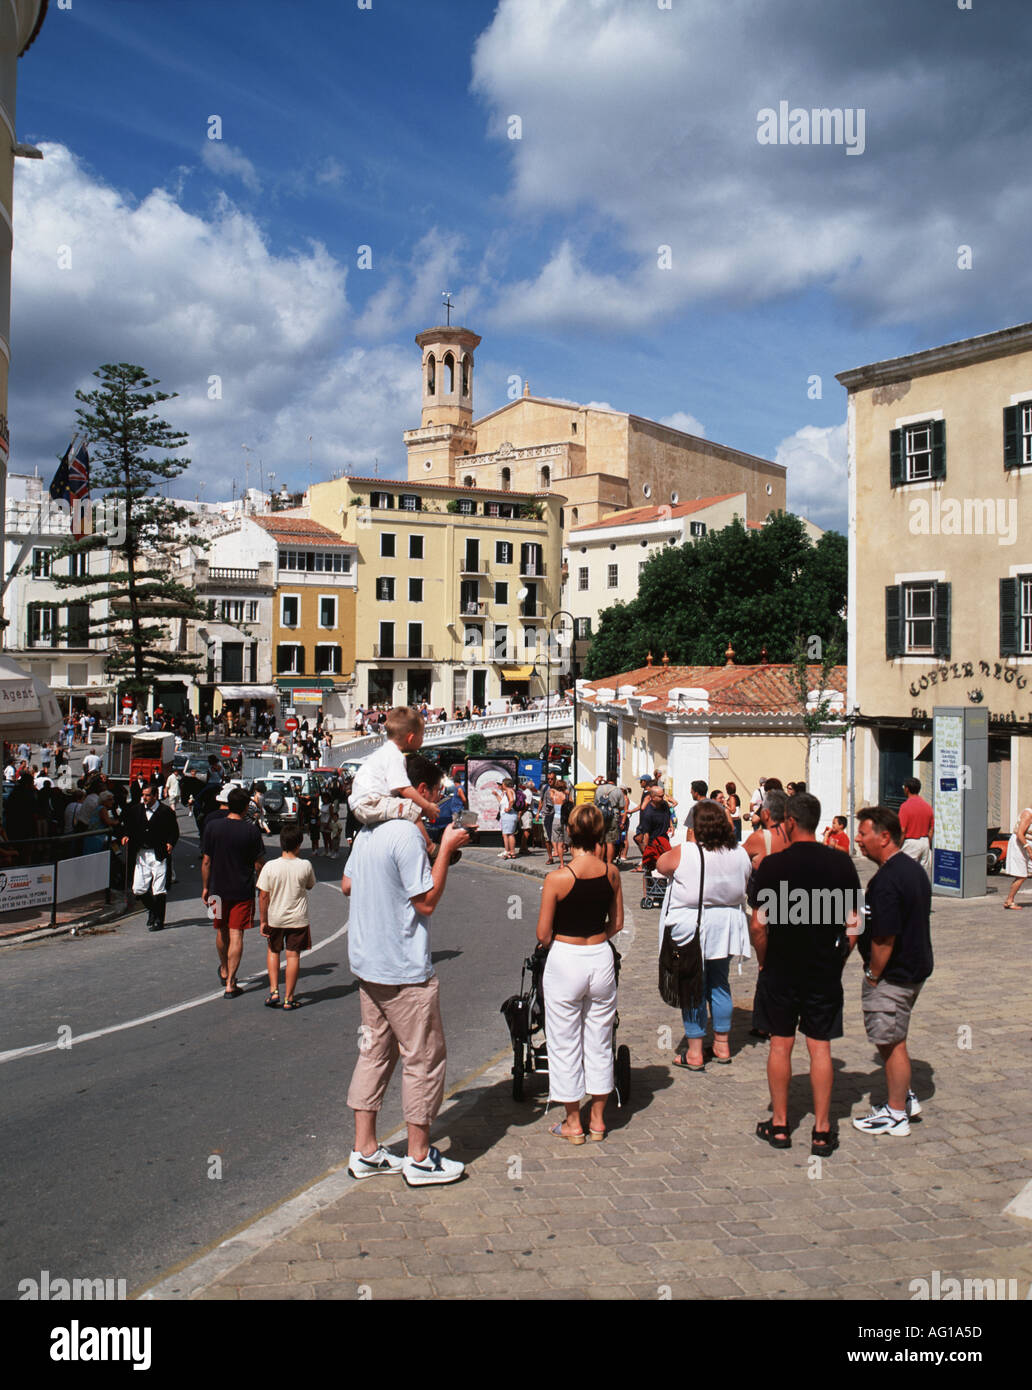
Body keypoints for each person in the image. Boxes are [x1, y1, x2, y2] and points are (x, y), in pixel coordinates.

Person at [341, 753, 470, 1185]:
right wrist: (447, 848)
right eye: (434, 793)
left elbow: (347, 885)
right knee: (424, 1059)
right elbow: (426, 901)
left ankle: (365, 1149)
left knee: (375, 1052)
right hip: (403, 967)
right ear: (422, 792)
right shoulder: (405, 837)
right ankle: (419, 1156)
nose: (435, 802)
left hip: (368, 963)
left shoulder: (367, 831)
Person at [748, 791, 862, 1157]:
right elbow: (854, 925)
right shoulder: (841, 864)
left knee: (781, 1043)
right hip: (822, 969)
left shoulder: (773, 867)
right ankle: (822, 1130)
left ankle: (780, 1124)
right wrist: (838, 961)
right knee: (820, 1047)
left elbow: (758, 926)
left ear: (790, 822)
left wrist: (764, 960)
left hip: (781, 966)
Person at [534, 803, 624, 1142]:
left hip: (566, 958)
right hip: (599, 956)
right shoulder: (611, 873)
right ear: (600, 835)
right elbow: (617, 923)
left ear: (569, 835)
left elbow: (543, 934)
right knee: (599, 1039)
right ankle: (598, 1118)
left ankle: (573, 1121)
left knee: (564, 1041)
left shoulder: (557, 878)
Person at [852, 805, 933, 1136]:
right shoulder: (910, 869)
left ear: (884, 836)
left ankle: (896, 1113)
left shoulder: (888, 879)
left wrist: (873, 974)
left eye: (863, 833)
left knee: (890, 1041)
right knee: (893, 1036)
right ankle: (904, 1096)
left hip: (894, 974)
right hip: (914, 967)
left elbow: (885, 937)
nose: (858, 840)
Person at [657, 801, 752, 1070]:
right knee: (719, 983)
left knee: (692, 985)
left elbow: (661, 865)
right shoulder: (739, 853)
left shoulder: (686, 852)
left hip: (694, 926)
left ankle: (695, 1052)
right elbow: (745, 881)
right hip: (727, 925)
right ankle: (722, 1044)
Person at [201, 787, 267, 998]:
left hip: (216, 889)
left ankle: (223, 968)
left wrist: (205, 887)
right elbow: (258, 864)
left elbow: (206, 861)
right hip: (241, 890)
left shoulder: (212, 827)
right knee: (236, 933)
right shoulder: (251, 831)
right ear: (247, 807)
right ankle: (231, 983)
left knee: (220, 930)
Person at [348, 706, 438, 844]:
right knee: (410, 807)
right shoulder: (395, 756)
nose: (423, 739)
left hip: (362, 803)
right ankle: (429, 846)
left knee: (401, 808)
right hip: (371, 803)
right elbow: (404, 788)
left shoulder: (385, 752)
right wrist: (427, 806)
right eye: (422, 735)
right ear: (411, 737)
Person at [257, 827, 316, 1009]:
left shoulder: (270, 866)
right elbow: (310, 885)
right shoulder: (305, 865)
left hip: (275, 918)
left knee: (273, 951)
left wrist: (263, 920)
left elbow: (263, 895)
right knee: (293, 956)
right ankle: (289, 998)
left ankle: (274, 991)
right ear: (299, 844)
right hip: (297, 919)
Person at [121, 783, 179, 931]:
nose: (144, 798)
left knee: (159, 889)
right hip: (142, 854)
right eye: (143, 795)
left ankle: (159, 920)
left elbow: (174, 831)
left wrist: (170, 843)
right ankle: (153, 910)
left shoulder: (165, 811)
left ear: (155, 796)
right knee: (138, 888)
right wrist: (126, 835)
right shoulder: (136, 810)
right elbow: (128, 826)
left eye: (147, 795)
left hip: (159, 854)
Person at [743, 788, 790, 870]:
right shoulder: (795, 834)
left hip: (769, 881)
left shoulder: (759, 838)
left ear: (766, 814)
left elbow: (737, 858)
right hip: (786, 881)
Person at [898, 778, 934, 876]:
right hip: (925, 842)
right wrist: (928, 844)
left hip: (911, 843)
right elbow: (931, 830)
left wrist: (898, 846)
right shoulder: (928, 806)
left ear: (907, 789)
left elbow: (903, 830)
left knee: (906, 874)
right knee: (923, 876)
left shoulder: (905, 807)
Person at [1002, 804, 1032, 909]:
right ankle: (1009, 901)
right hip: (1020, 845)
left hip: (1026, 844)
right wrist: (1029, 849)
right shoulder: (1028, 814)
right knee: (1021, 875)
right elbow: (1020, 833)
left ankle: (1009, 900)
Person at [593, 775, 627, 866]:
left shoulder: (599, 789)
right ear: (615, 781)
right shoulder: (618, 790)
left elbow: (595, 803)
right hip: (613, 816)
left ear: (607, 780)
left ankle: (599, 862)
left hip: (600, 816)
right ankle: (609, 864)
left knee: (600, 842)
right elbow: (622, 806)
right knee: (610, 842)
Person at [498, 778, 518, 859]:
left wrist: (508, 808)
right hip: (511, 815)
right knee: (510, 834)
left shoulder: (509, 790)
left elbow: (511, 800)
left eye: (502, 783)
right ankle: (511, 852)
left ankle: (509, 851)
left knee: (508, 834)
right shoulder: (511, 791)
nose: (502, 785)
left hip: (508, 815)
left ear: (505, 784)